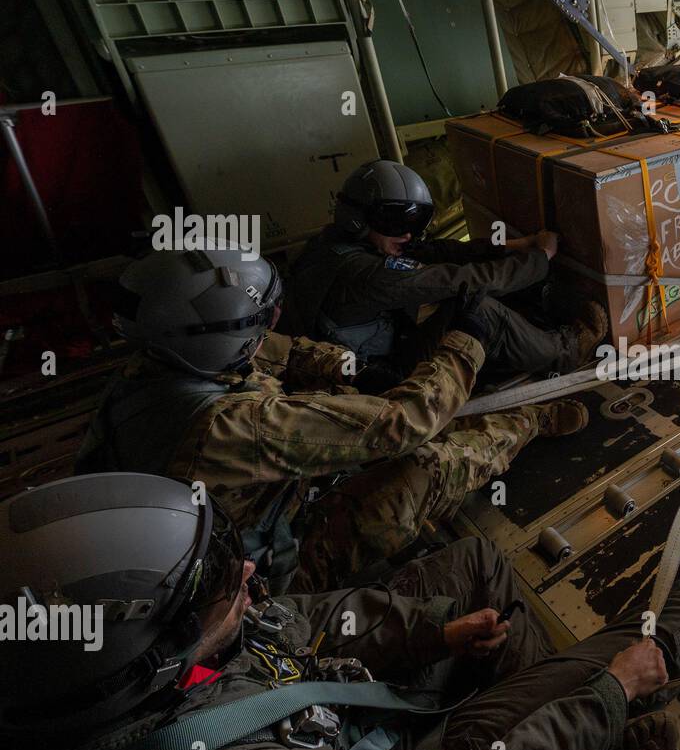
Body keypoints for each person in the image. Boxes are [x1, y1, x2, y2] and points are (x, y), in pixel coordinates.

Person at [0, 472, 680, 750]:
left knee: (476, 566)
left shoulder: (110, 684)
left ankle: (538, 712)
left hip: (339, 710)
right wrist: (603, 696)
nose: (249, 580)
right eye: (218, 590)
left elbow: (294, 622)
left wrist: (431, 633)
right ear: (147, 659)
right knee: (627, 664)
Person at [75, 244, 588, 594]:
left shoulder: (162, 365)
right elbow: (405, 422)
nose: (271, 323)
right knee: (422, 465)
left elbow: (277, 350)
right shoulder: (225, 427)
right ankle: (526, 424)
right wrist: (466, 342)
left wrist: (350, 366)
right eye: (258, 320)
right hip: (277, 572)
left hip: (248, 512)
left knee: (357, 403)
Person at [279, 159, 607, 383]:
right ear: (359, 218)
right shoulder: (364, 274)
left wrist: (514, 247)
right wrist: (541, 257)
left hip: (370, 354)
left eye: (413, 224)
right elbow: (460, 280)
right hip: (385, 381)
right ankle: (565, 353)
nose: (407, 235)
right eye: (397, 224)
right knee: (477, 307)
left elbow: (435, 251)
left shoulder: (338, 242)